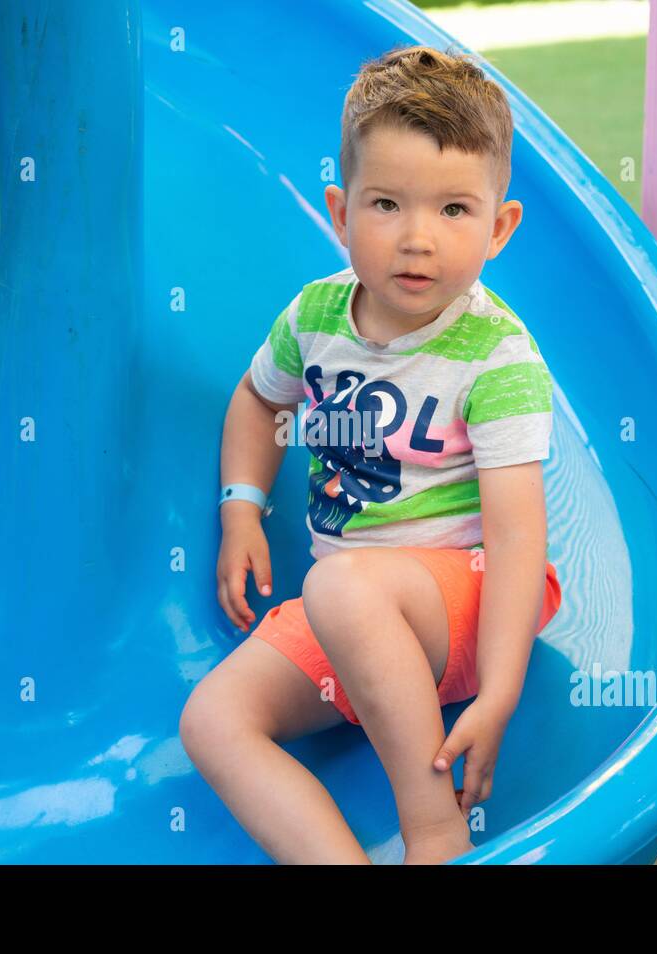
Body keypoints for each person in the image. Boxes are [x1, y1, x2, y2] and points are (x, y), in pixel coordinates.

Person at [180, 44, 562, 865]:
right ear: (341, 213)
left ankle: (434, 832)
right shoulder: (315, 316)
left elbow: (518, 536)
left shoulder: (497, 356)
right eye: (387, 204)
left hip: (463, 602)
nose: (418, 240)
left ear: (499, 229)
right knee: (212, 720)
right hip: (349, 619)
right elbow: (258, 399)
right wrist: (241, 507)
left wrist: (499, 690)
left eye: (454, 211)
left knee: (341, 584)